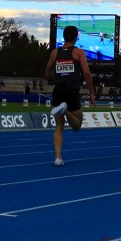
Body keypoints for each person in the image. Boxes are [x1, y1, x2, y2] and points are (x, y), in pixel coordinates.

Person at [44, 25, 96, 166]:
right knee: (77, 126)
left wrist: (53, 77)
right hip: (72, 90)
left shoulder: (55, 52)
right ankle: (65, 109)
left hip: (58, 89)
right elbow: (86, 73)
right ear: (75, 37)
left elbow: (47, 73)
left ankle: (58, 158)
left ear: (64, 36)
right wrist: (92, 91)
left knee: (59, 126)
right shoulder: (78, 52)